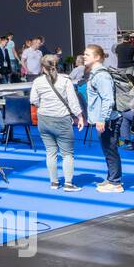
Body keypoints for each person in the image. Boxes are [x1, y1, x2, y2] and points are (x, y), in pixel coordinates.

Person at [30, 55, 84, 190]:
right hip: (62, 119)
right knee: (67, 153)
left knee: (50, 152)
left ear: (43, 68)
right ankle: (68, 183)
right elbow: (73, 101)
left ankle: (54, 182)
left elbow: (33, 100)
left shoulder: (37, 82)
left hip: (44, 118)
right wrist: (80, 116)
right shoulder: (65, 80)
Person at [83, 43, 123, 191]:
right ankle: (111, 178)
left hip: (109, 120)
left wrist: (102, 119)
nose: (84, 56)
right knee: (108, 150)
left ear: (97, 57)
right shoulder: (96, 74)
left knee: (111, 150)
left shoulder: (101, 75)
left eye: (87, 54)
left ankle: (116, 183)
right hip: (106, 119)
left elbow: (108, 99)